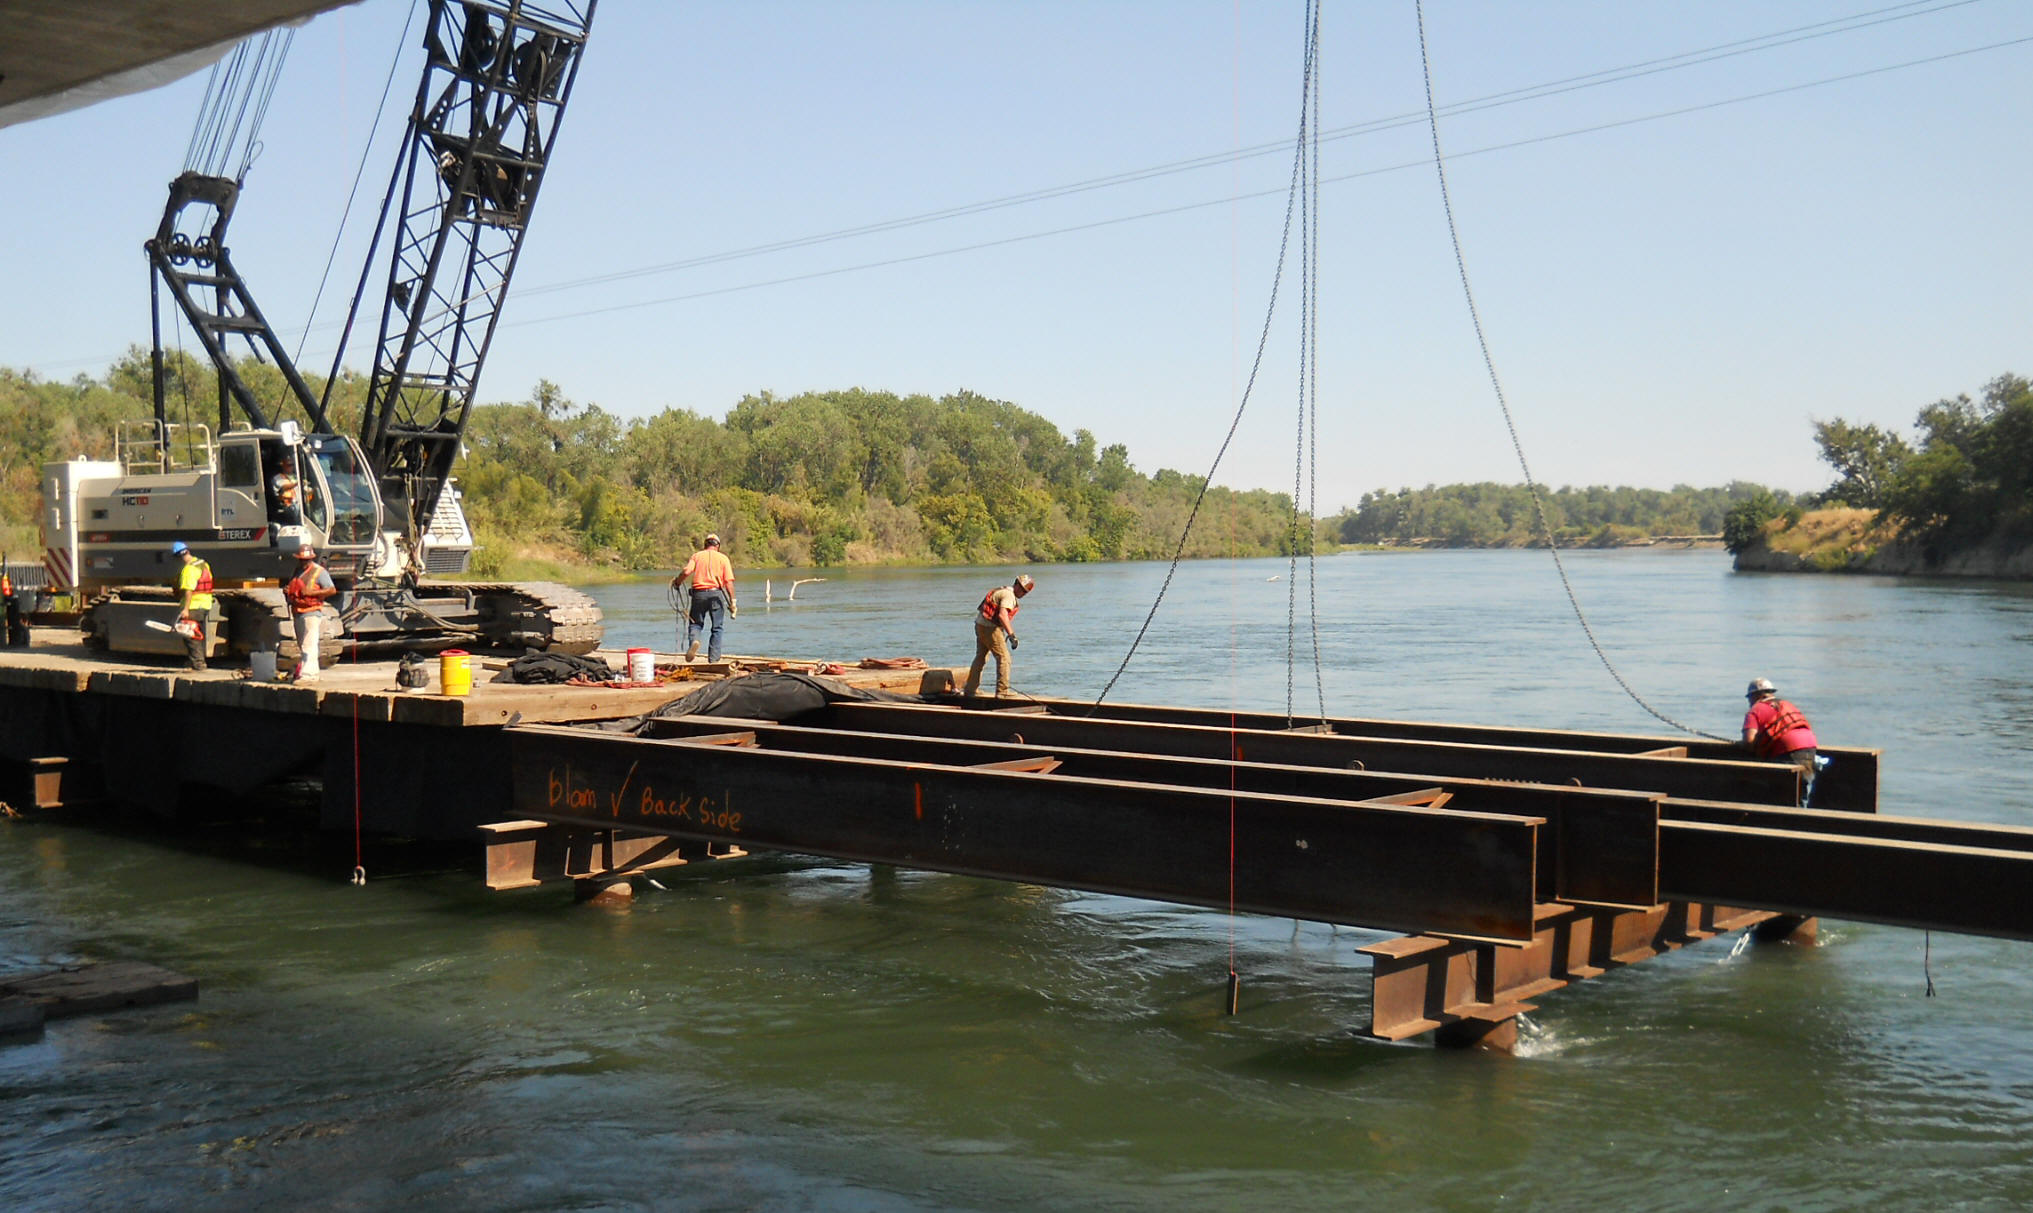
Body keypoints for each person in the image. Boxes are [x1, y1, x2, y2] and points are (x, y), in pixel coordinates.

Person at [1741, 676, 1821, 803]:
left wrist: (1742, 745)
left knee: (1782, 794)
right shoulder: (1788, 704)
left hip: (1786, 749)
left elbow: (1749, 742)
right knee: (1802, 791)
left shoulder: (1755, 711)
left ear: (1756, 696)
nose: (1749, 702)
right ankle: (1802, 816)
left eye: (1749, 698)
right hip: (1809, 745)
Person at [964, 573, 1033, 699]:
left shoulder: (1004, 590)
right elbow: (1002, 616)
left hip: (980, 624)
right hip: (990, 628)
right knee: (1004, 658)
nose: (1023, 593)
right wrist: (1012, 635)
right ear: (1016, 584)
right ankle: (1002, 691)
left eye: (1025, 592)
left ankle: (970, 689)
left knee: (981, 657)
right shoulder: (1009, 596)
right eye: (1022, 589)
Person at [675, 532, 735, 662]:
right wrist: (732, 601)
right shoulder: (723, 558)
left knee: (696, 624)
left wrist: (677, 582)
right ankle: (714, 659)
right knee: (717, 627)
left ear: (705, 545)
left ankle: (694, 641)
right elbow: (729, 582)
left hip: (699, 594)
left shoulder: (697, 556)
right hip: (716, 594)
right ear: (718, 546)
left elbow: (686, 571)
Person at [284, 544, 339, 682]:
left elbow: (331, 590)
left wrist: (312, 592)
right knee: (303, 645)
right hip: (297, 611)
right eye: (302, 559)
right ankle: (309, 672)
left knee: (309, 644)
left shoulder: (319, 572)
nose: (304, 561)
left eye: (306, 559)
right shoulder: (296, 571)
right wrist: (287, 591)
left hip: (312, 612)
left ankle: (309, 675)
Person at [172, 540, 215, 672]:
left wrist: (185, 609)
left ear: (178, 557)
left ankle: (198, 664)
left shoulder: (188, 570)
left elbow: (188, 590)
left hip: (194, 605)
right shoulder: (202, 564)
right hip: (205, 603)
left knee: (190, 635)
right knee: (195, 632)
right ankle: (194, 661)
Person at [271, 456, 303, 523]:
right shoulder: (278, 478)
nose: (291, 467)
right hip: (288, 506)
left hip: (300, 504)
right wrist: (298, 483)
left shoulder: (296, 477)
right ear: (283, 466)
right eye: (289, 465)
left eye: (292, 465)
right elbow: (284, 487)